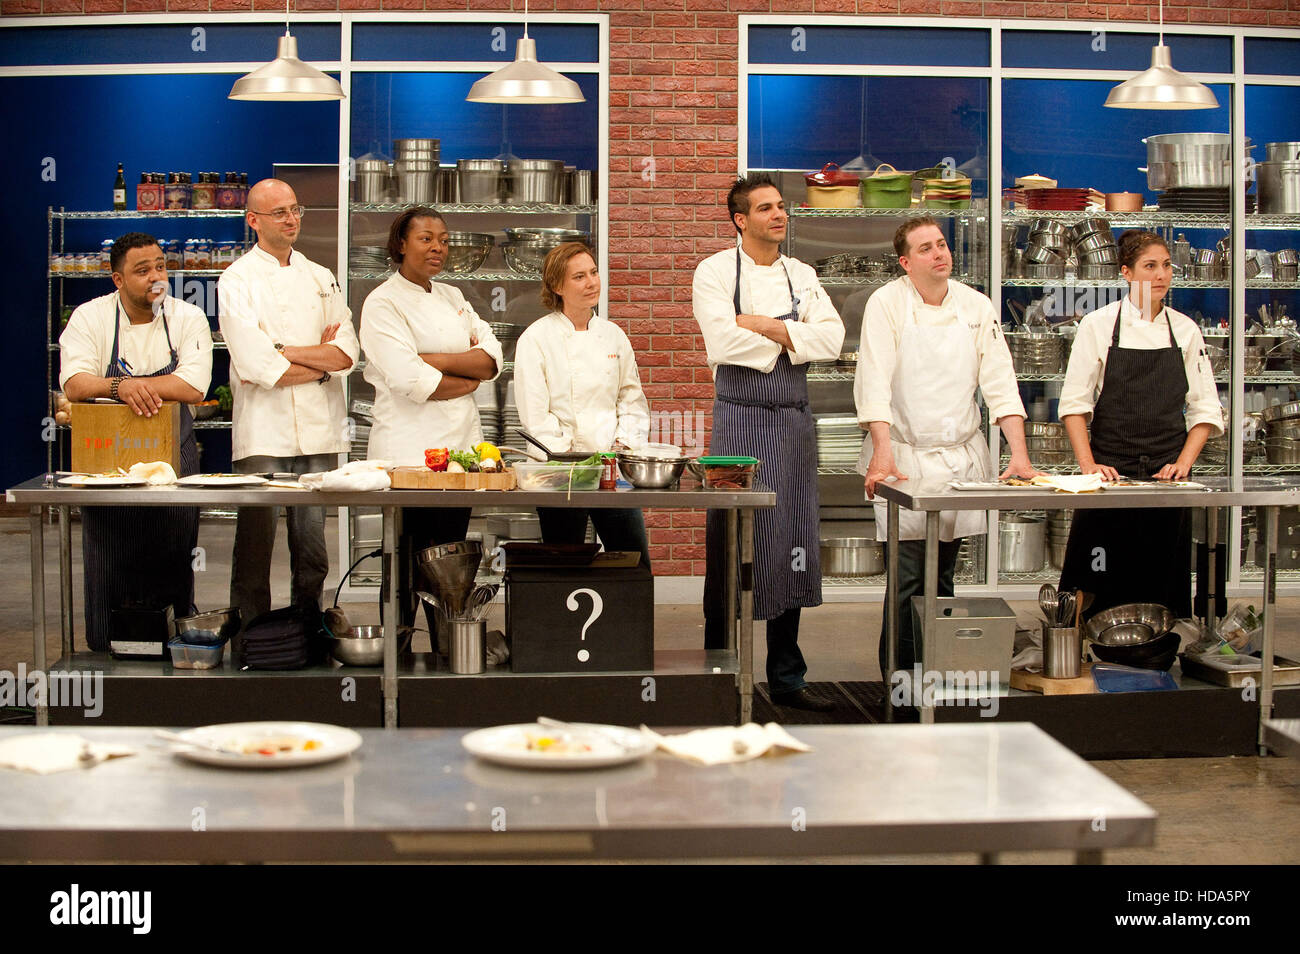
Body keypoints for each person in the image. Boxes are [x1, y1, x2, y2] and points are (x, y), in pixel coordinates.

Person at [856, 216, 1038, 678]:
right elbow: (873, 380)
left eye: (941, 244)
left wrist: (1018, 454)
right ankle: (899, 685)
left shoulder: (976, 306)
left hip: (959, 458)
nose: (939, 253)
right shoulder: (887, 303)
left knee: (943, 576)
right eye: (925, 248)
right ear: (905, 262)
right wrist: (882, 452)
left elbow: (1000, 381)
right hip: (904, 457)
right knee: (908, 578)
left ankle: (935, 677)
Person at [693, 173, 846, 711]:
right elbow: (721, 338)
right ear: (741, 219)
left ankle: (786, 677)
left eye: (781, 207)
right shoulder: (713, 271)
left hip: (793, 421)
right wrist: (791, 333)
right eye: (766, 209)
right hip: (737, 420)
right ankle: (717, 670)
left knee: (792, 541)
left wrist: (765, 325)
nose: (779, 216)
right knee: (727, 540)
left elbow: (831, 338)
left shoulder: (801, 273)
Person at [59, 232, 213, 650]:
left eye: (160, 266)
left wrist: (131, 385)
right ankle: (108, 652)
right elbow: (74, 383)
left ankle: (173, 650)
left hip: (173, 455)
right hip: (107, 460)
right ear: (117, 279)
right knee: (109, 558)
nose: (155, 277)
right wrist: (119, 387)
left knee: (174, 558)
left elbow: (194, 386)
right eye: (142, 270)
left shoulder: (187, 317)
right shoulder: (90, 318)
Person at [1057, 230, 1222, 619]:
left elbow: (1205, 409)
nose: (1161, 275)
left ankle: (1155, 651)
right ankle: (1088, 650)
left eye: (1166, 266)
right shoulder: (1097, 326)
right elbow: (1074, 405)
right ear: (1126, 272)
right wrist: (1088, 468)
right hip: (1110, 476)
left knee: (1160, 579)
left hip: (1167, 478)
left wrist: (1184, 463)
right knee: (1096, 573)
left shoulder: (1185, 331)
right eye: (1150, 266)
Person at [218, 178, 359, 630]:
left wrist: (289, 352)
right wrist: (316, 367)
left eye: (295, 209)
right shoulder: (236, 279)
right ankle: (251, 633)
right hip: (264, 428)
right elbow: (256, 365)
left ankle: (308, 626)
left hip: (318, 426)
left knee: (312, 541)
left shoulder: (321, 277)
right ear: (253, 220)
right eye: (279, 212)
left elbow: (347, 354)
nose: (291, 218)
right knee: (256, 538)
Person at [359, 207, 502, 632]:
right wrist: (462, 376)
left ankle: (446, 654)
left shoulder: (454, 297)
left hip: (459, 454)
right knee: (404, 568)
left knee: (450, 566)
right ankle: (397, 660)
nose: (437, 246)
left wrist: (431, 361)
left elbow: (492, 359)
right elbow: (408, 380)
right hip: (406, 455)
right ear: (400, 244)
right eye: (425, 238)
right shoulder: (382, 302)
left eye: (443, 238)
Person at [514, 242, 653, 566]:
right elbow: (536, 414)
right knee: (565, 566)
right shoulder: (536, 339)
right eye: (579, 276)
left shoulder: (613, 335)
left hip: (612, 470)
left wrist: (623, 445)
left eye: (593, 272)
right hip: (561, 472)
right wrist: (571, 458)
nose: (591, 282)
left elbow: (630, 399)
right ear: (557, 286)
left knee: (634, 563)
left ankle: (629, 618)